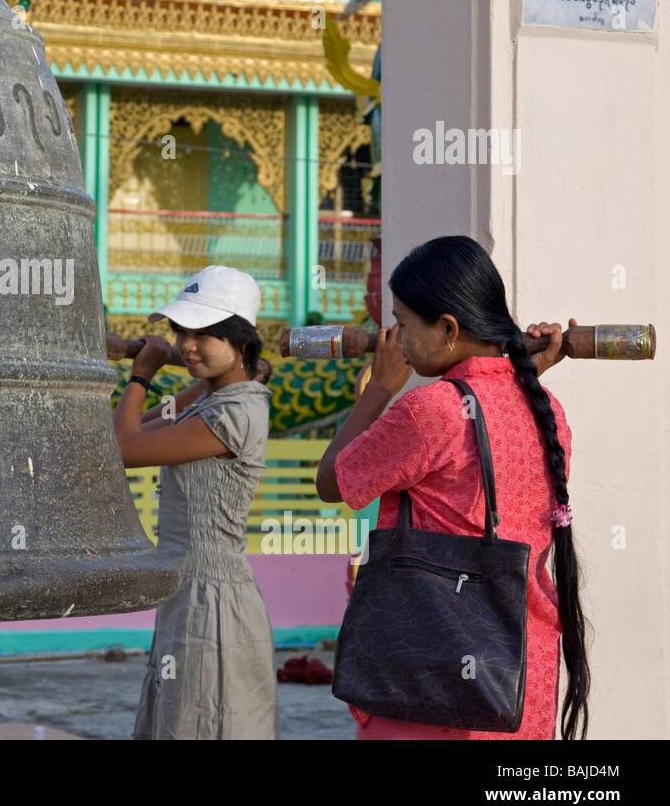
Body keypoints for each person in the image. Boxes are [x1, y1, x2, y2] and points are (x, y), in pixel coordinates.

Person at [316, 235, 590, 740]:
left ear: (447, 329)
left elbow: (332, 481)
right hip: (520, 664)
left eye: (403, 323)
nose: (396, 338)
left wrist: (378, 388)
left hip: (435, 665)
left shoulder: (431, 410)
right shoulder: (545, 406)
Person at [114, 265, 278, 739]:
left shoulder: (234, 413)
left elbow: (123, 448)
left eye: (204, 333)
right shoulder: (211, 401)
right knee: (180, 718)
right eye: (182, 331)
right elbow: (140, 427)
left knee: (205, 721)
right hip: (188, 593)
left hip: (214, 602)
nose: (187, 344)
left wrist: (141, 374)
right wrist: (196, 377)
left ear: (240, 339)